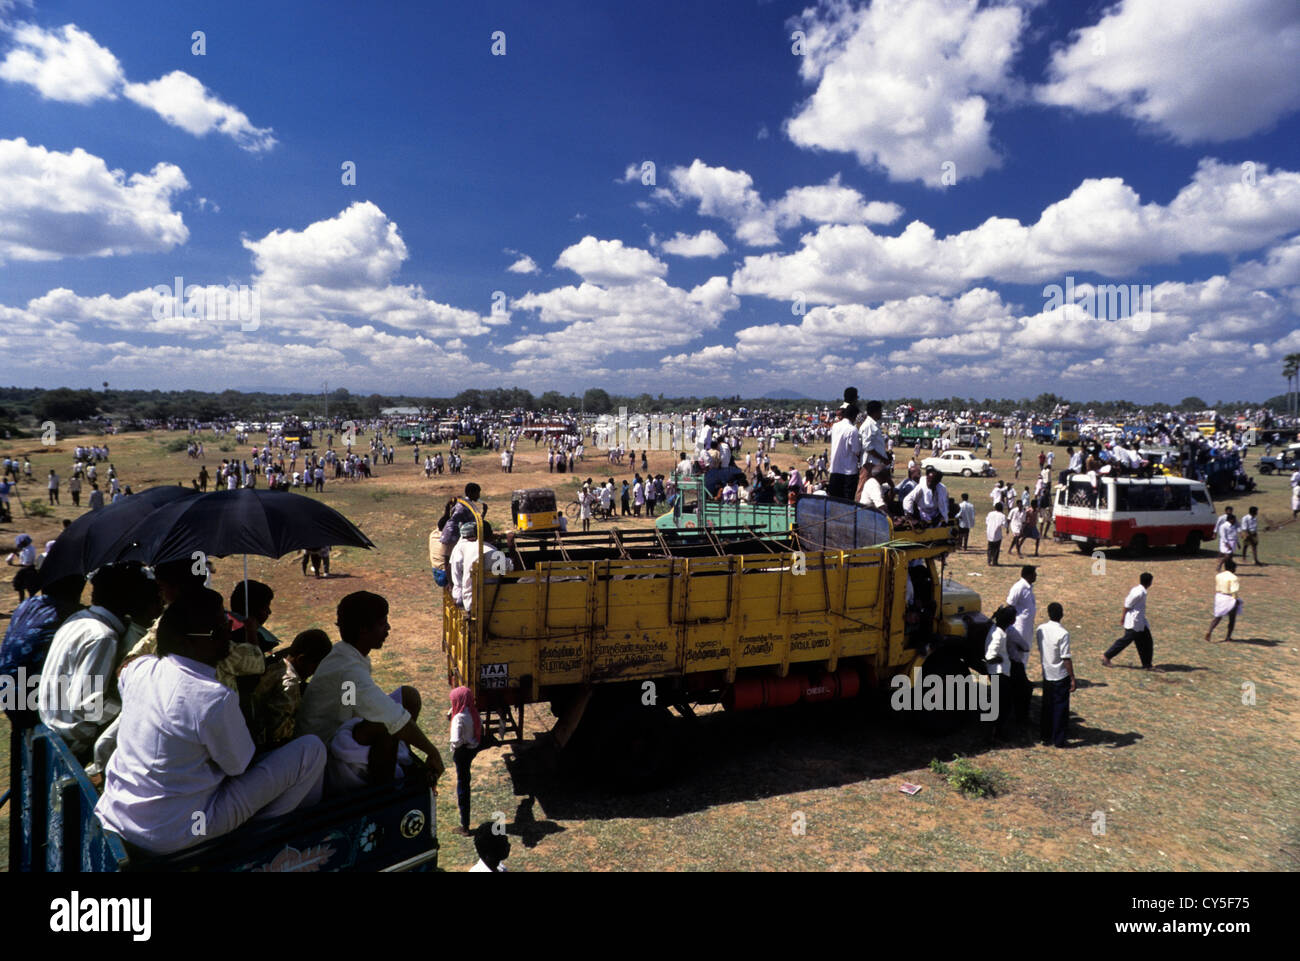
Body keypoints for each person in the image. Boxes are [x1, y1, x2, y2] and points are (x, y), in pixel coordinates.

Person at [94, 589, 327, 855]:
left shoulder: (139, 669)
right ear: (184, 642)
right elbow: (239, 767)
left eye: (226, 625)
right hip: (177, 831)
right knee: (312, 749)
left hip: (120, 812)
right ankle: (258, 843)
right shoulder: (214, 697)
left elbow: (131, 675)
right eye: (216, 632)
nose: (227, 635)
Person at [295, 592, 445, 783]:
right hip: (326, 752)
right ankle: (384, 792)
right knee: (384, 727)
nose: (388, 628)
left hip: (342, 729)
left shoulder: (345, 654)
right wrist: (432, 752)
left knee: (409, 697)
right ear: (364, 630)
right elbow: (393, 717)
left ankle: (402, 757)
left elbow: (348, 701)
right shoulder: (349, 669)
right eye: (383, 624)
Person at [38, 565, 159, 769]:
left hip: (51, 728)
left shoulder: (80, 619)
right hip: (75, 741)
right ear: (130, 599)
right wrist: (132, 709)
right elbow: (89, 705)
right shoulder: (102, 636)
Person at [249, 629, 332, 749]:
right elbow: (278, 735)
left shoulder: (275, 666)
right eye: (315, 667)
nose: (315, 673)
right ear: (301, 660)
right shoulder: (290, 685)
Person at [1035, 602, 1074, 748]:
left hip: (1047, 672)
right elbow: (1066, 658)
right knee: (1060, 708)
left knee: (1047, 706)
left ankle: (1045, 736)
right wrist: (1072, 677)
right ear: (1061, 614)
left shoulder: (1041, 629)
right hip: (1060, 674)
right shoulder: (1063, 633)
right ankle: (1059, 739)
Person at [1102, 571, 1154, 669]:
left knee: (1146, 641)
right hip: (1134, 622)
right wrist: (1123, 617)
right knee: (1125, 641)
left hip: (1140, 622)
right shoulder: (1139, 592)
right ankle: (1107, 656)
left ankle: (1147, 664)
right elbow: (1127, 605)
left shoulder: (1140, 590)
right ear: (1150, 582)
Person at [1005, 566, 1037, 723]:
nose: (1036, 576)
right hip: (1020, 626)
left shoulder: (1029, 587)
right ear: (1028, 575)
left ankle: (1021, 674)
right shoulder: (1019, 587)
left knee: (1026, 651)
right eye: (1034, 573)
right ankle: (1017, 677)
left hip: (1027, 625)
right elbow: (1010, 603)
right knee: (1019, 650)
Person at [449, 685, 482, 836]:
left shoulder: (458, 718)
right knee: (465, 783)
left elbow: (455, 740)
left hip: (461, 753)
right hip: (471, 749)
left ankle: (465, 826)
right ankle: (465, 824)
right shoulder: (474, 714)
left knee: (462, 787)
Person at [983, 605, 1015, 742]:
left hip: (998, 673)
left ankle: (993, 732)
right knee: (1003, 705)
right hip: (999, 674)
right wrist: (999, 658)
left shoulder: (995, 628)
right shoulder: (999, 635)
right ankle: (996, 733)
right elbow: (989, 656)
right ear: (1011, 621)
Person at [826, 406, 861, 499]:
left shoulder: (835, 426)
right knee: (847, 502)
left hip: (835, 469)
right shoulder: (852, 430)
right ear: (854, 416)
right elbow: (856, 451)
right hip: (848, 472)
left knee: (834, 500)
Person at [1206, 559, 1241, 643]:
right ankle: (1228, 636)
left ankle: (1210, 631)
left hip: (1219, 596)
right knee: (1232, 618)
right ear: (1232, 568)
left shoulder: (1219, 575)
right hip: (1229, 597)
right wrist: (1236, 600)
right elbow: (1234, 591)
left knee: (1218, 616)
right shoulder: (1233, 578)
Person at [1213, 506, 1238, 572]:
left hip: (1233, 541)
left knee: (1230, 555)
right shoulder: (1223, 523)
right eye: (1229, 510)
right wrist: (1227, 543)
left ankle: (1229, 568)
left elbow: (1235, 534)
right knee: (1227, 555)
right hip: (1226, 541)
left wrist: (1237, 542)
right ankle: (1220, 565)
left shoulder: (1233, 525)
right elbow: (1222, 533)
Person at [985, 502, 1007, 566]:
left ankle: (989, 560)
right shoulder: (1002, 516)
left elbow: (986, 521)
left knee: (990, 547)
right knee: (996, 548)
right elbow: (1005, 525)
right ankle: (995, 561)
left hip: (989, 532)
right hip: (997, 533)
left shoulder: (990, 513)